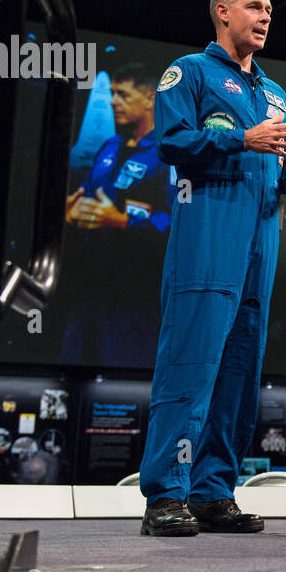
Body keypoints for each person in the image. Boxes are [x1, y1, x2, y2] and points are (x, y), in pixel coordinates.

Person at [139, 0, 286, 535]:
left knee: (239, 376)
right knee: (189, 369)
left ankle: (213, 492)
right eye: (255, 7)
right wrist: (240, 140)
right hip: (206, 245)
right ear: (222, 11)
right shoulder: (190, 71)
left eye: (269, 9)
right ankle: (165, 495)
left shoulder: (274, 94)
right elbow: (169, 142)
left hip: (259, 251)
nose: (266, 17)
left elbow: (282, 175)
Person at [61, 63, 174, 367]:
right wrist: (71, 211)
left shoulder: (170, 152)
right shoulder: (109, 146)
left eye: (122, 94)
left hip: (135, 299)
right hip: (89, 289)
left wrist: (122, 221)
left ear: (150, 98)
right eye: (112, 93)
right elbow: (86, 193)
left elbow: (179, 224)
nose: (112, 101)